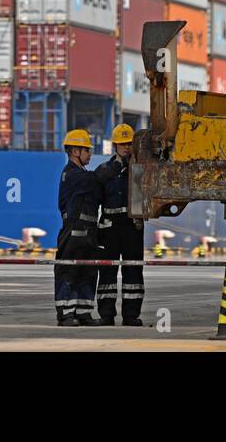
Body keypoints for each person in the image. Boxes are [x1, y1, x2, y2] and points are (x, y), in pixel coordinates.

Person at [55, 128, 124, 326]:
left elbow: (99, 191)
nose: (90, 153)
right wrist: (117, 163)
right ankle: (66, 314)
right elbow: (96, 180)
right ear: (75, 152)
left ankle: (83, 312)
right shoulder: (72, 174)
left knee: (88, 273)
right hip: (74, 231)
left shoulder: (82, 174)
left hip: (89, 233)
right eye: (86, 150)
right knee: (68, 273)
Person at [96, 124, 145, 326]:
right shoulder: (104, 171)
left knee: (133, 270)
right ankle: (106, 315)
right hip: (109, 226)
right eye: (122, 144)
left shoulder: (140, 171)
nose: (126, 148)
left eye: (129, 144)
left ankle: (131, 315)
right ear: (115, 145)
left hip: (133, 226)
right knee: (107, 271)